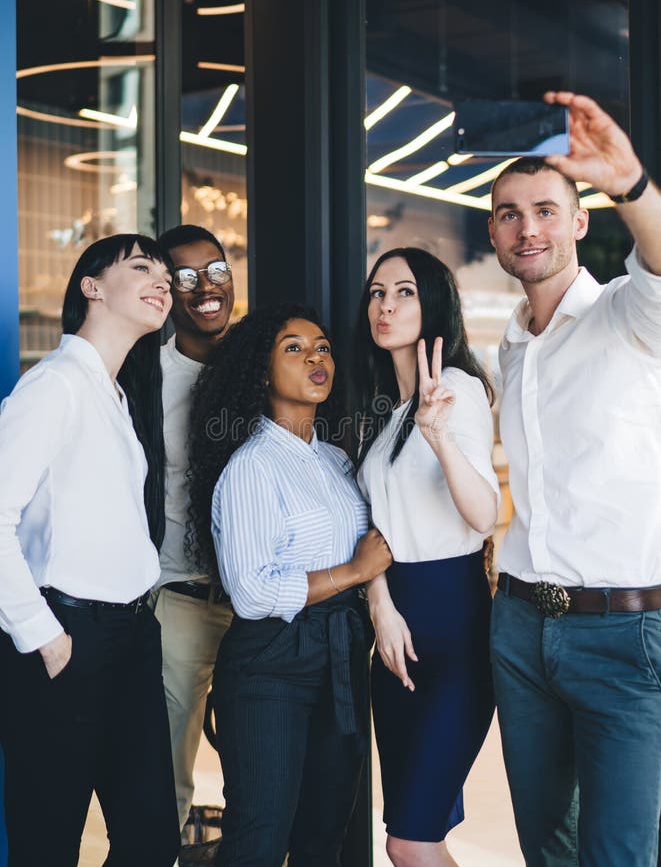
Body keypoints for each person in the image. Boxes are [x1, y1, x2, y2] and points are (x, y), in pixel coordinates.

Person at [488, 92, 661, 867]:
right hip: (521, 628)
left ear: (579, 222)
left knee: (618, 853)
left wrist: (629, 185)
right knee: (543, 849)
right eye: (508, 214)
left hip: (624, 633)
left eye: (547, 210)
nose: (528, 227)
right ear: (492, 231)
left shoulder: (628, 314)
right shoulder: (511, 346)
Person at [187, 302, 392, 867]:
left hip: (342, 650)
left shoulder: (333, 460)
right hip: (271, 662)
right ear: (261, 370)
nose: (315, 357)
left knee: (324, 834)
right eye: (294, 348)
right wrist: (354, 572)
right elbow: (252, 593)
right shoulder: (252, 465)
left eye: (322, 346)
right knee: (260, 835)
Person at [0, 234, 180, 866]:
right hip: (67, 635)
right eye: (141, 267)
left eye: (165, 273)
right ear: (92, 287)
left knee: (151, 841)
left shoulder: (116, 396)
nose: (163, 281)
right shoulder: (55, 386)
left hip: (132, 635)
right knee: (48, 844)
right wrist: (42, 635)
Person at [353, 247, 499, 867]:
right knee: (417, 834)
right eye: (377, 293)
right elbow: (373, 535)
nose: (385, 305)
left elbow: (484, 514)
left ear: (433, 302)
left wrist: (439, 439)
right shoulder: (387, 418)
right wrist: (381, 605)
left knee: (407, 841)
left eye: (404, 292)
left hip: (452, 624)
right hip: (393, 631)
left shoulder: (456, 392)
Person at [151, 224, 235, 829]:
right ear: (165, 291)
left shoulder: (264, 364)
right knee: (166, 783)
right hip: (179, 597)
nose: (204, 288)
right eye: (183, 277)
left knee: (261, 771)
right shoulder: (143, 379)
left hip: (261, 604)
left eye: (216, 270)